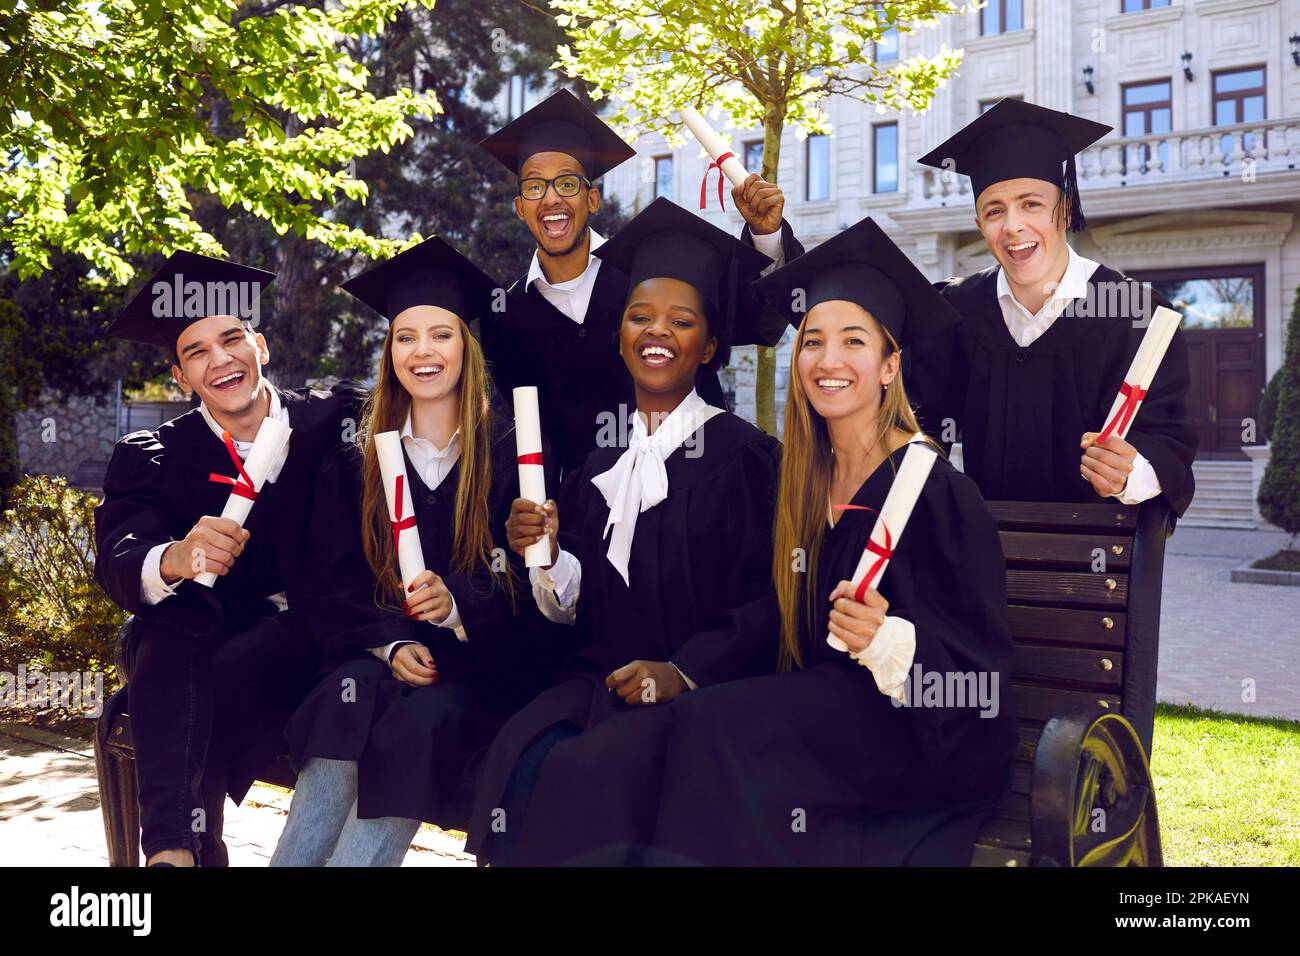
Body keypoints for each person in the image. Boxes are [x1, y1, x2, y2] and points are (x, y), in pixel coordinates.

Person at [636, 216, 1017, 866]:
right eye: (812, 342)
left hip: (916, 742)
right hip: (823, 716)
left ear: (890, 365)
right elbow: (768, 616)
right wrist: (685, 668)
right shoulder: (801, 482)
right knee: (692, 728)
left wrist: (890, 641)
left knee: (719, 734)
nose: (828, 361)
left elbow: (980, 687)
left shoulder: (932, 490)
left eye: (853, 341)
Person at [464, 197, 782, 865]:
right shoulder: (600, 465)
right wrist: (546, 554)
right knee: (517, 756)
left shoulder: (745, 457)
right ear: (619, 336)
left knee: (583, 775)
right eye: (639, 317)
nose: (656, 332)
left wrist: (682, 671)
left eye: (681, 321)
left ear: (709, 347)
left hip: (701, 699)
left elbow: (766, 605)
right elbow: (576, 604)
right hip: (600, 681)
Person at [270, 238, 560, 866]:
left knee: (413, 728)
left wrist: (457, 602)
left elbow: (531, 583)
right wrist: (392, 643)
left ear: (467, 348)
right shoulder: (359, 459)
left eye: (441, 335)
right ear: (389, 352)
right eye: (406, 337)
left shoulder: (512, 449)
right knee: (347, 697)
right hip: (384, 659)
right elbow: (331, 580)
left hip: (477, 671)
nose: (423, 352)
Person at [95, 251, 363, 866]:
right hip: (204, 641)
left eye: (232, 338)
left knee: (165, 678)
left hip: (311, 643)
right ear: (181, 377)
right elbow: (120, 550)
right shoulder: (156, 453)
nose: (220, 360)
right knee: (166, 625)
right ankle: (176, 851)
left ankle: (174, 848)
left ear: (260, 346)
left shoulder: (334, 422)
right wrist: (176, 557)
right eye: (196, 351)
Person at [477, 88, 803, 472]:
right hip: (584, 520)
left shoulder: (653, 274)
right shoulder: (505, 317)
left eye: (567, 183)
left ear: (592, 199)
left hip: (692, 495)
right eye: (534, 186)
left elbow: (757, 321)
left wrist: (766, 236)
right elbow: (518, 431)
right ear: (520, 208)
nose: (551, 199)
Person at [910, 98, 1196, 515]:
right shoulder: (955, 312)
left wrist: (1130, 473)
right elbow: (920, 429)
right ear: (979, 226)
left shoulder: (1134, 313)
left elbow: (1170, 442)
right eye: (994, 211)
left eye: (1031, 204)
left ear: (1064, 211)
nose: (1012, 227)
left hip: (1094, 561)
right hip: (981, 556)